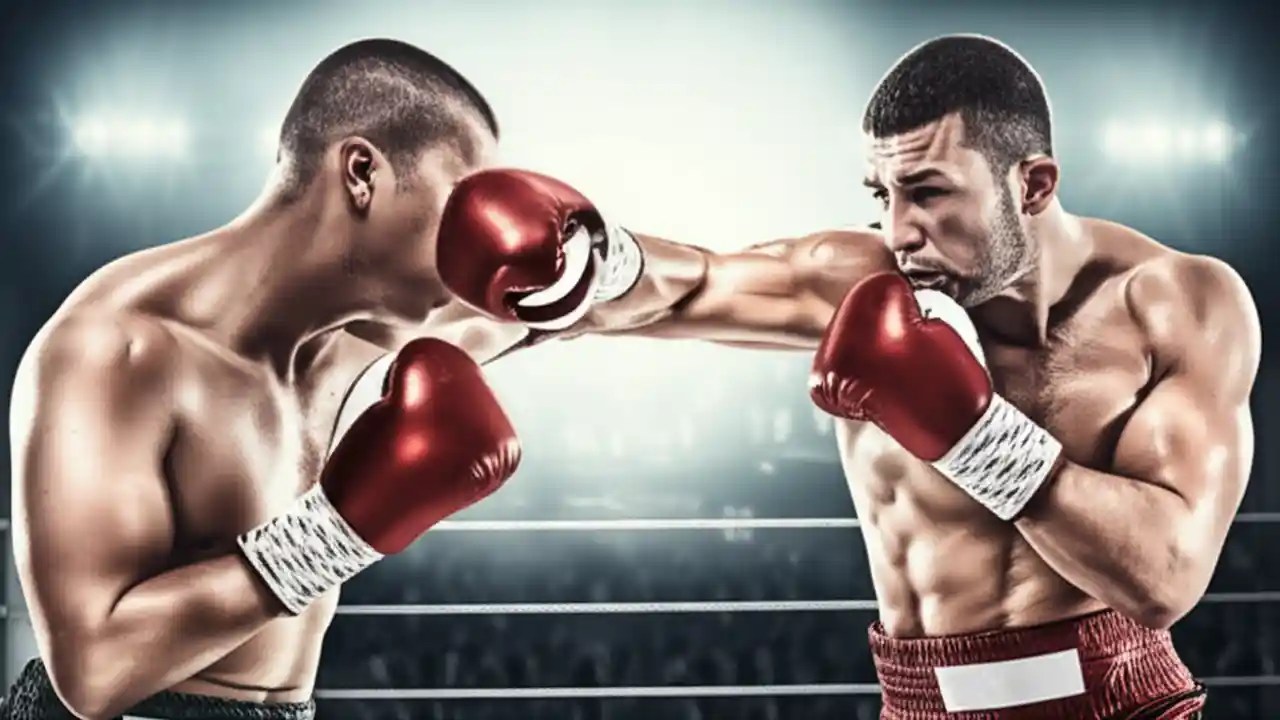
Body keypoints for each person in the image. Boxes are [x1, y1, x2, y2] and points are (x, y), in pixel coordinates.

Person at [437, 35, 1258, 719]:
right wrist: (589, 265)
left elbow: (1164, 576)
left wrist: (973, 435)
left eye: (930, 193)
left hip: (1122, 705)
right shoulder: (870, 282)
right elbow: (691, 286)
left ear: (1033, 184)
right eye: (882, 193)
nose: (899, 231)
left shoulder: (1176, 303)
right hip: (918, 704)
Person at [5, 39, 535, 720]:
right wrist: (341, 531)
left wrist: (604, 262)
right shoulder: (118, 345)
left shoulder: (365, 345)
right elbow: (94, 671)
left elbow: (604, 301)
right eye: (458, 201)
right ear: (362, 172)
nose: (475, 238)